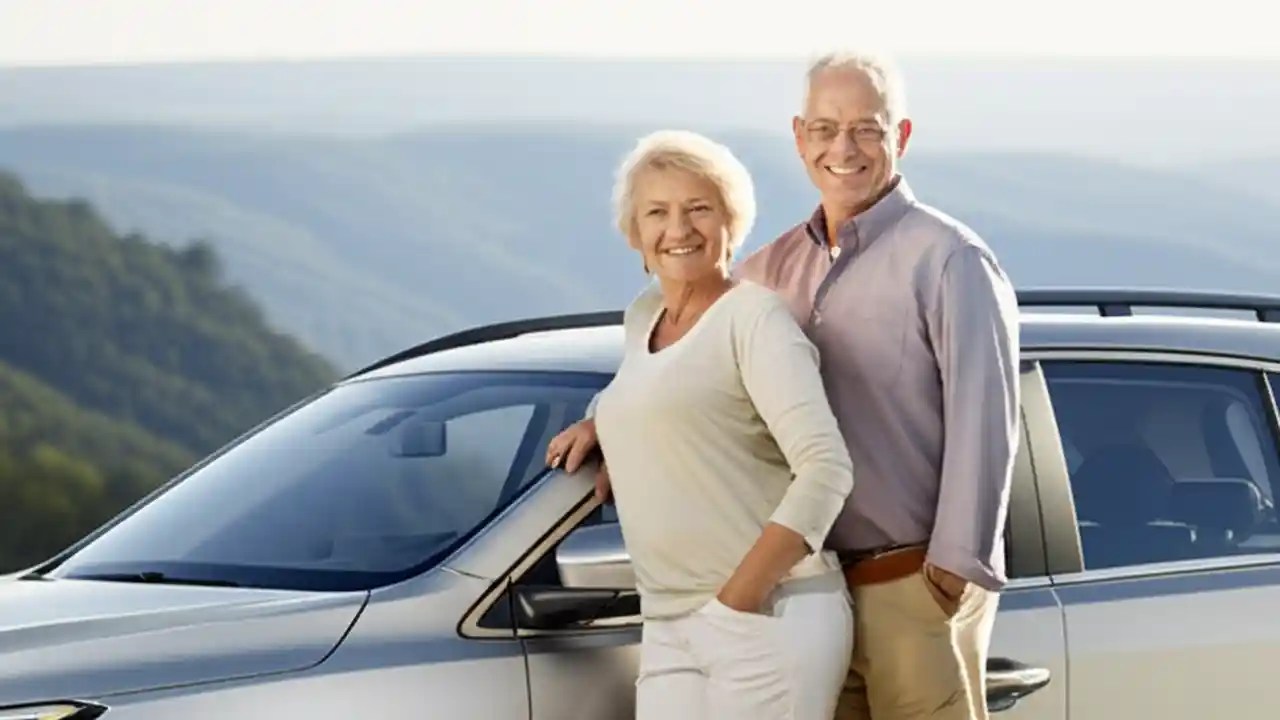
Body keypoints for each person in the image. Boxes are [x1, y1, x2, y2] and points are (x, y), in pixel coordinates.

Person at [556, 52, 1022, 720]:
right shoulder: (773, 268)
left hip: (909, 583)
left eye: (867, 128)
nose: (844, 147)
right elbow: (692, 349)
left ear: (903, 137)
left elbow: (987, 425)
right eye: (826, 128)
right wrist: (604, 420)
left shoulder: (948, 259)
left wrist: (948, 576)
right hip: (811, 586)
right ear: (800, 137)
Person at [545, 129, 856, 720]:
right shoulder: (645, 320)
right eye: (657, 212)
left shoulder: (754, 318)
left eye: (699, 209)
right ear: (635, 235)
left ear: (731, 225)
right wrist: (600, 421)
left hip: (768, 615)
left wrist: (737, 601)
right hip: (667, 621)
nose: (679, 229)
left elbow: (826, 467)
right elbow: (671, 395)